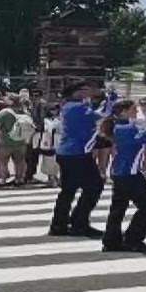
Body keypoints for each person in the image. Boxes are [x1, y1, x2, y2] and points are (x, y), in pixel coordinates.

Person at [101, 98, 146, 253]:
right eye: (133, 109)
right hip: (129, 173)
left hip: (119, 171)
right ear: (123, 112)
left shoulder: (119, 127)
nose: (136, 112)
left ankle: (111, 240)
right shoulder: (128, 129)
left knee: (118, 208)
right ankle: (133, 239)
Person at [50, 81, 110, 238]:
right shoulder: (78, 107)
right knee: (94, 186)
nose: (90, 91)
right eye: (86, 89)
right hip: (77, 153)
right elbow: (100, 118)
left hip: (67, 152)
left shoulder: (68, 106)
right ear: (77, 92)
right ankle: (79, 222)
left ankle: (59, 224)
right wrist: (110, 104)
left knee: (68, 190)